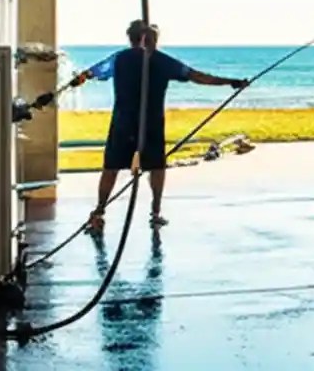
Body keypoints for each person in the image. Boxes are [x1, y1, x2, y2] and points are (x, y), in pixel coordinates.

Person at [76, 20, 248, 232]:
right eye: (153, 38)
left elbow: (92, 72)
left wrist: (81, 78)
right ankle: (153, 213)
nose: (155, 42)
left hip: (125, 122)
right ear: (144, 38)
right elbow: (197, 76)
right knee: (152, 167)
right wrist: (230, 81)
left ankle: (101, 212)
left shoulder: (119, 59)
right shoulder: (159, 60)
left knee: (115, 167)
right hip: (146, 123)